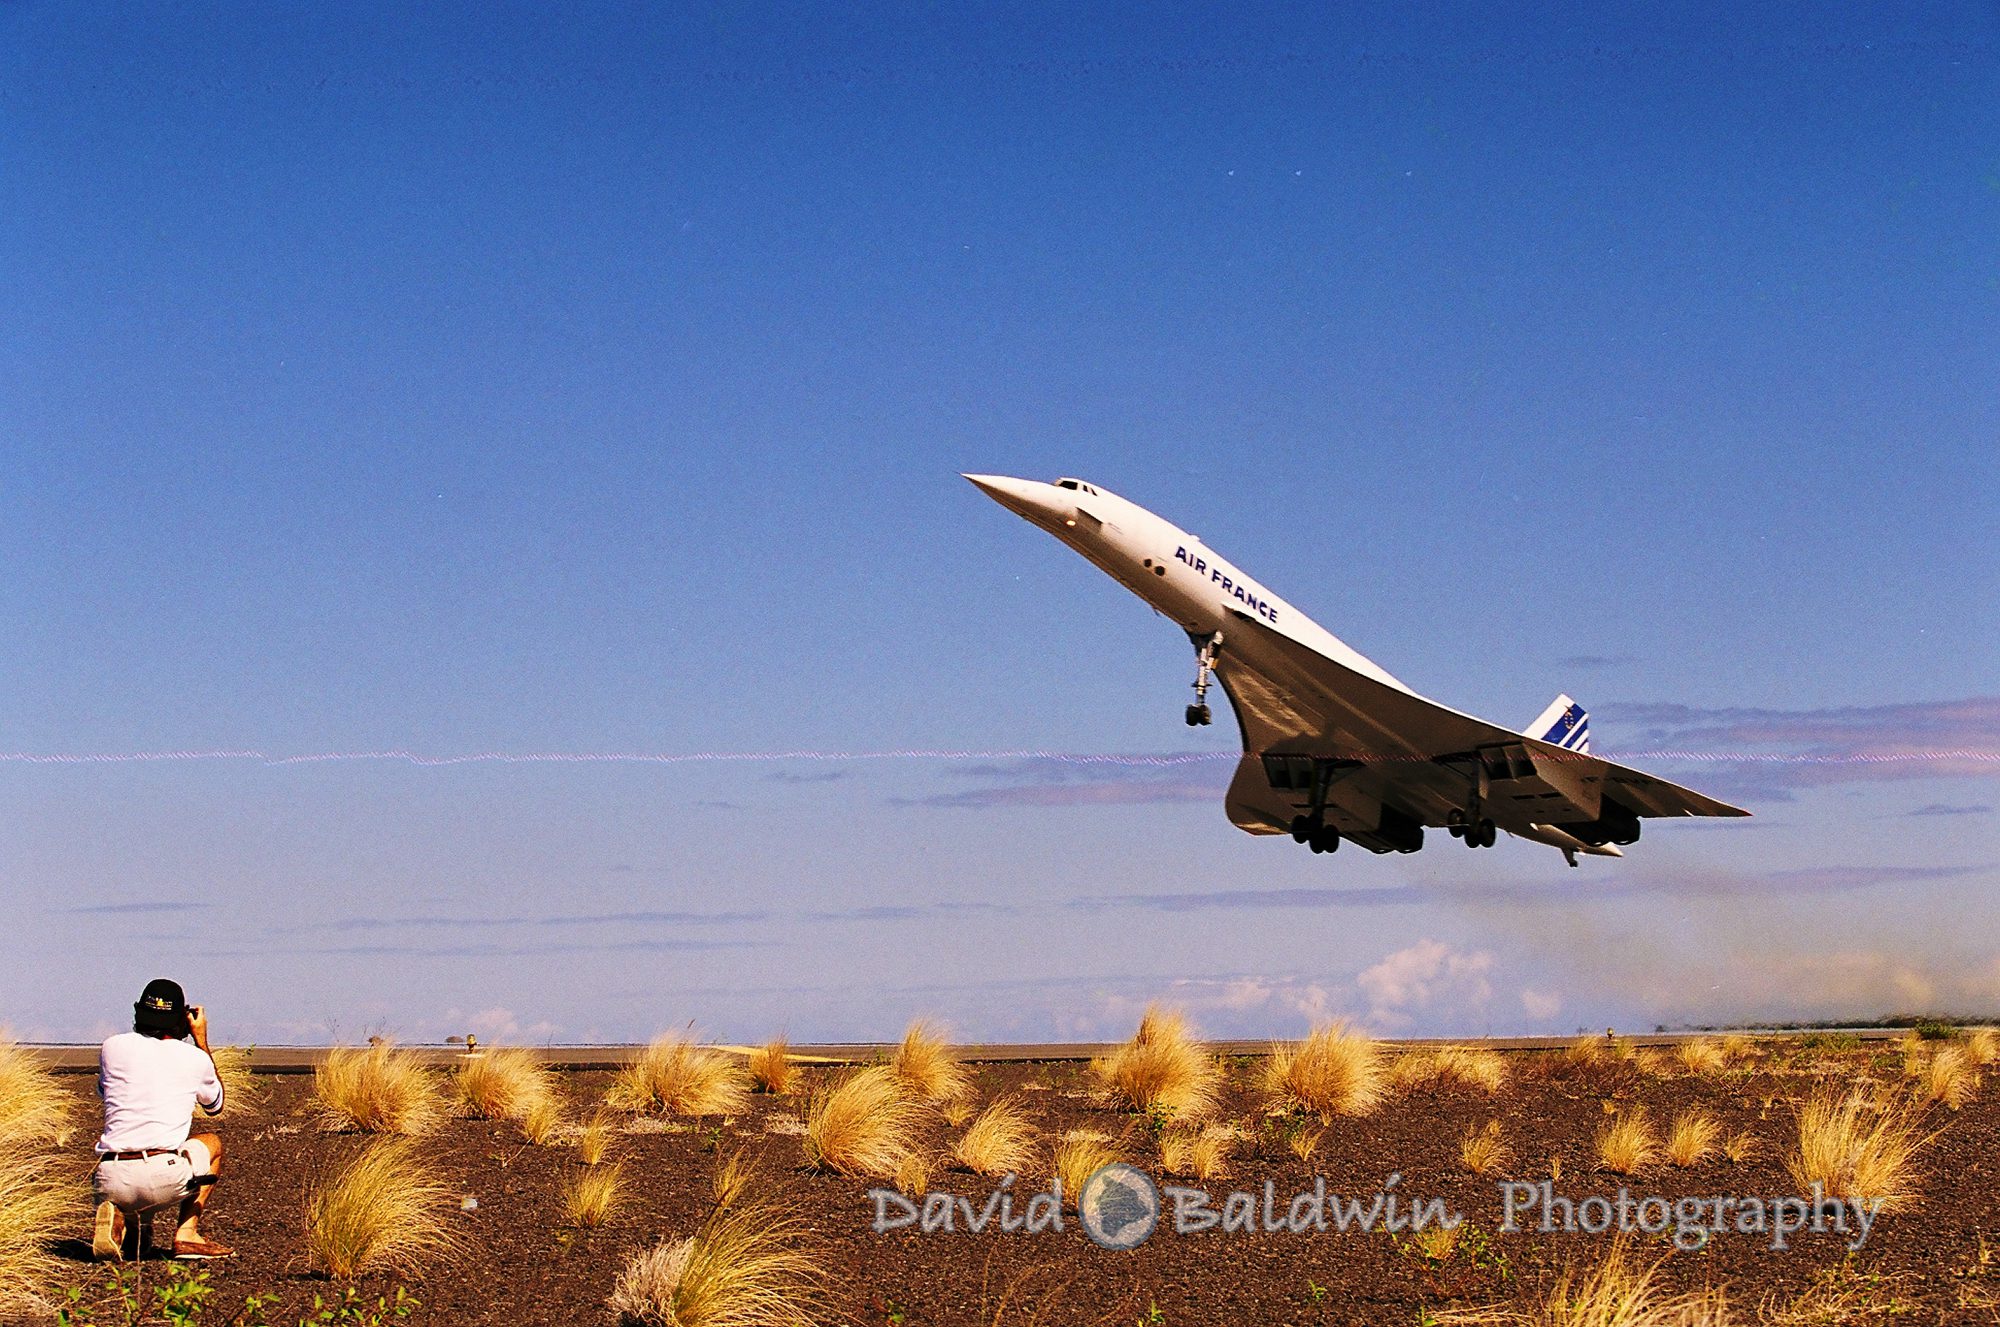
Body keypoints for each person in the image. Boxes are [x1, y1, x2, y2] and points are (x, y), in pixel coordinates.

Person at [91, 978, 231, 1260]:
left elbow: (104, 1091)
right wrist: (200, 1040)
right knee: (212, 1143)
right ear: (182, 1019)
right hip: (161, 1174)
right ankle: (186, 1234)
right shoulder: (194, 1058)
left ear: (138, 1012)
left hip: (108, 1176)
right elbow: (214, 1105)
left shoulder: (111, 1047)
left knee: (132, 1176)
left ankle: (122, 1220)